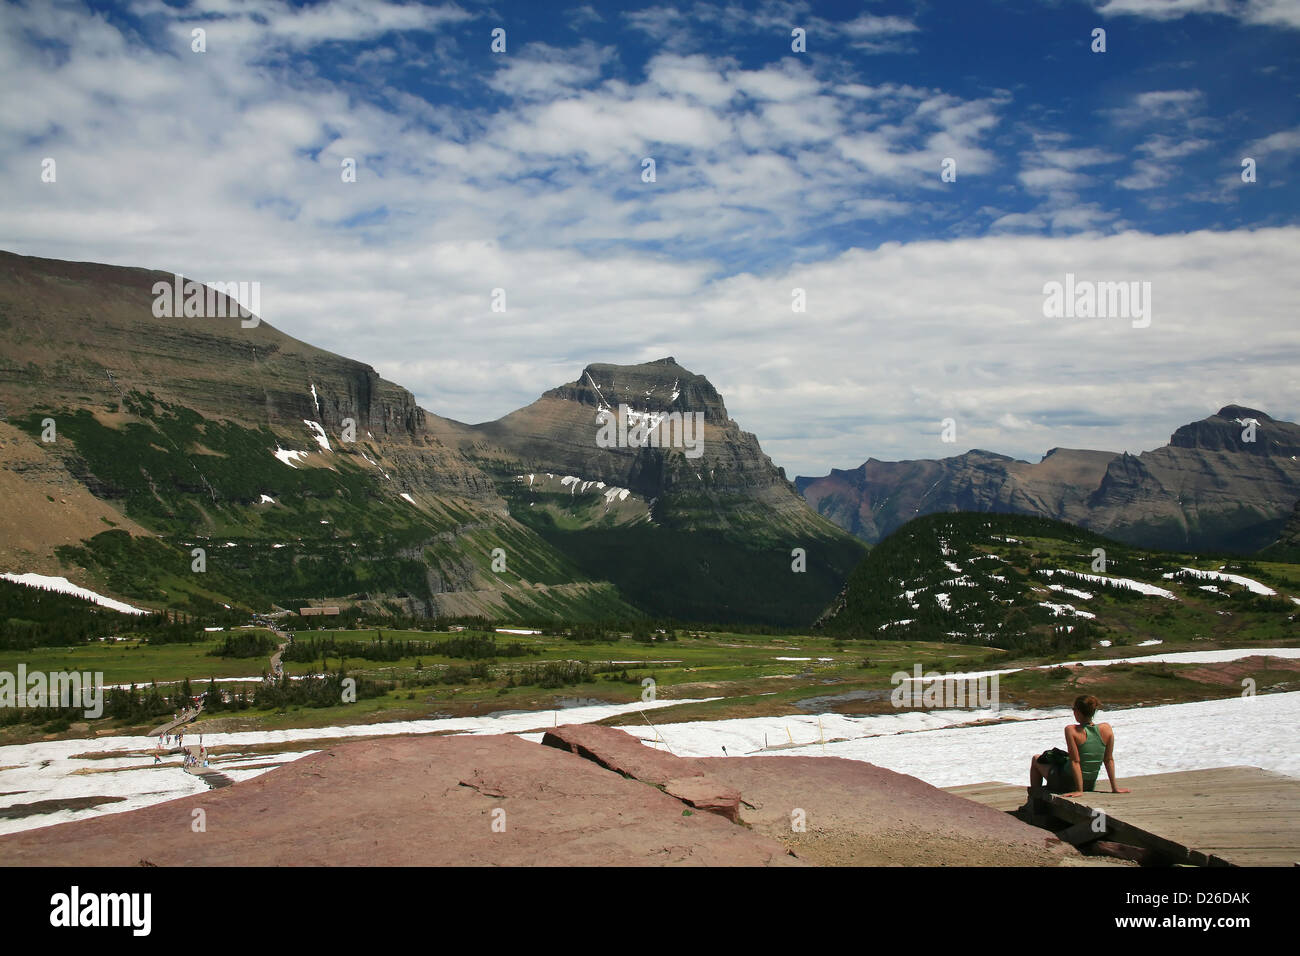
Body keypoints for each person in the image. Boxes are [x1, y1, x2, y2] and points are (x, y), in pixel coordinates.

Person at [1030, 694, 1131, 797]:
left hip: (1067, 783)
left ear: (1077, 712)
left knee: (1036, 758)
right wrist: (1114, 788)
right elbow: (1109, 760)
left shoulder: (1071, 730)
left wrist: (1079, 790)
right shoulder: (1107, 728)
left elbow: (1075, 761)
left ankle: (1034, 801)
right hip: (1089, 784)